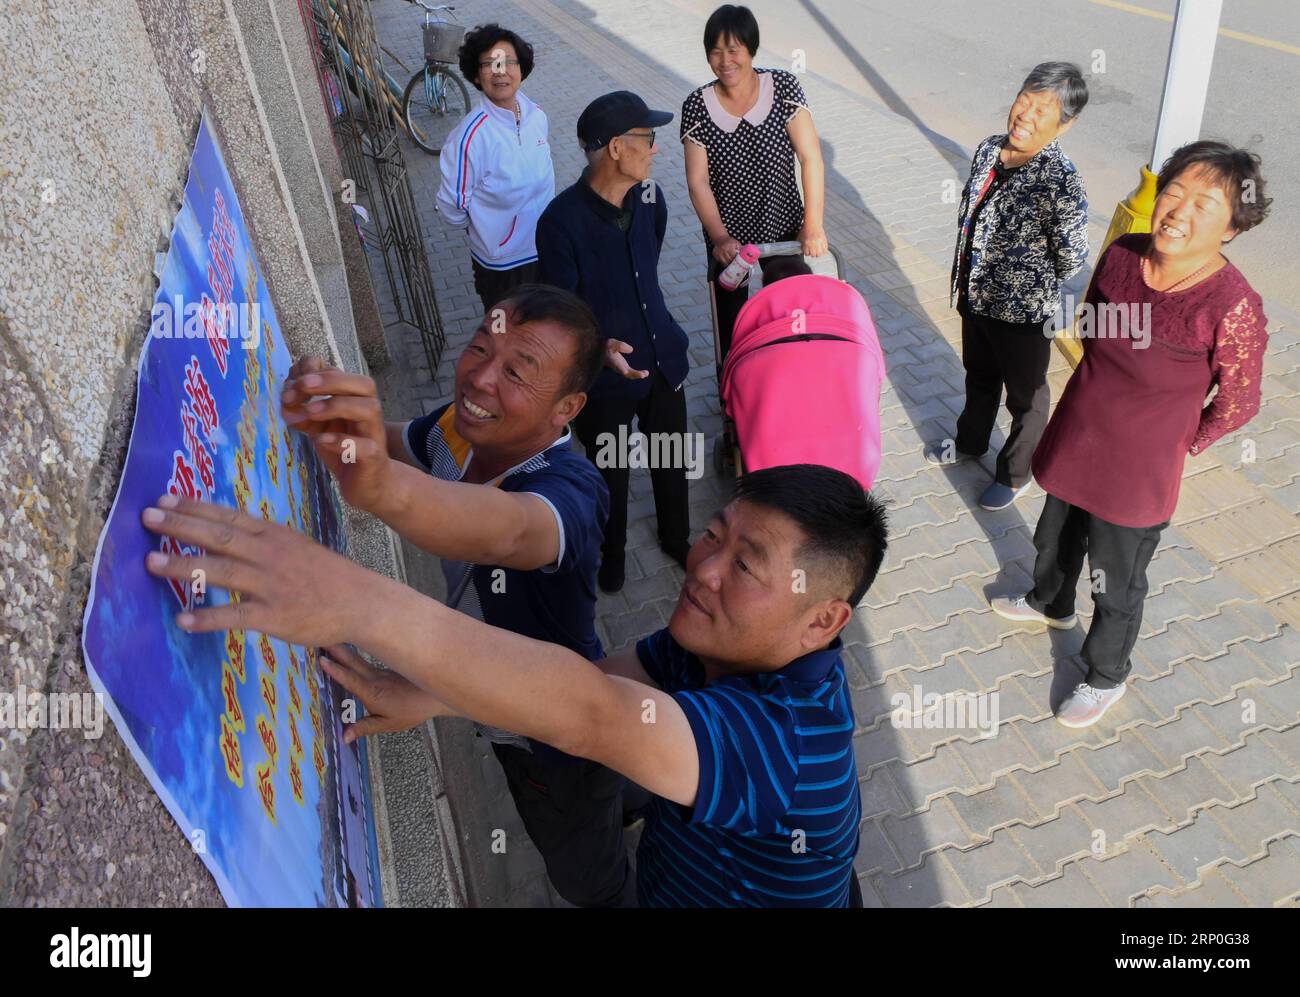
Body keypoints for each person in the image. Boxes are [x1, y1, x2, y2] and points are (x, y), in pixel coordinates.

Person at [140, 464, 889, 907]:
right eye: (715, 533)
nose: (704, 566)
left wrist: (353, 599)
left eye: (747, 564)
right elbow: (597, 681)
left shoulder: (790, 746)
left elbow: (592, 717)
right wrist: (432, 694)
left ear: (822, 619)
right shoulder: (710, 643)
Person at [279, 285, 640, 908]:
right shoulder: (455, 431)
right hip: (519, 707)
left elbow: (509, 529)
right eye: (480, 346)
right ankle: (637, 784)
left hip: (550, 734)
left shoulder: (572, 493)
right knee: (620, 781)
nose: (480, 378)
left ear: (568, 408)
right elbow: (395, 442)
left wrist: (383, 490)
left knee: (586, 876)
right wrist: (332, 409)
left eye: (518, 372)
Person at [992, 141, 1271, 728]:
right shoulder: (1122, 253)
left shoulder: (1232, 303)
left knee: (1116, 581)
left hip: (1139, 470)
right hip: (1079, 435)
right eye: (1175, 191)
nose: (1179, 210)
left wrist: (1180, 442)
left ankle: (1105, 674)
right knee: (1054, 538)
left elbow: (1240, 400)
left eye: (1204, 204)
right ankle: (1050, 602)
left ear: (1231, 229)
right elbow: (1092, 326)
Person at [536, 91, 692, 593]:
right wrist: (600, 347)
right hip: (604, 379)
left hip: (662, 354)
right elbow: (562, 310)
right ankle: (612, 554)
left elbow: (648, 264)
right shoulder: (560, 222)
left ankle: (677, 538)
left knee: (670, 454)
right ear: (616, 149)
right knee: (612, 470)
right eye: (647, 139)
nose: (655, 149)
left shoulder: (651, 200)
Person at [925, 62, 1090, 511]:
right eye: (1025, 100)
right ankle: (972, 440)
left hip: (1023, 312)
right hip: (975, 293)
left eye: (1044, 110)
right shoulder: (988, 149)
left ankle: (1016, 473)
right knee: (979, 375)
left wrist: (1029, 278)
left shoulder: (1061, 181)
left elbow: (1073, 256)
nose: (1026, 115)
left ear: (1065, 124)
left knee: (1027, 397)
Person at [681, 4, 827, 360]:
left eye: (734, 50)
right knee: (731, 323)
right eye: (715, 51)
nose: (725, 60)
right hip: (729, 237)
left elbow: (810, 158)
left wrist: (813, 226)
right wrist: (719, 237)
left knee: (794, 309)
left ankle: (797, 373)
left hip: (783, 226)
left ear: (750, 49)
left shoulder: (782, 88)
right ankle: (734, 392)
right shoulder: (697, 107)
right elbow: (697, 181)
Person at [435, 23, 554, 314]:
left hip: (549, 250)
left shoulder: (536, 117)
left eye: (508, 62)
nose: (500, 71)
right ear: (476, 75)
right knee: (512, 340)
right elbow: (451, 208)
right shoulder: (469, 138)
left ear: (521, 68)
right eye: (490, 64)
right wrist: (490, 232)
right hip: (504, 268)